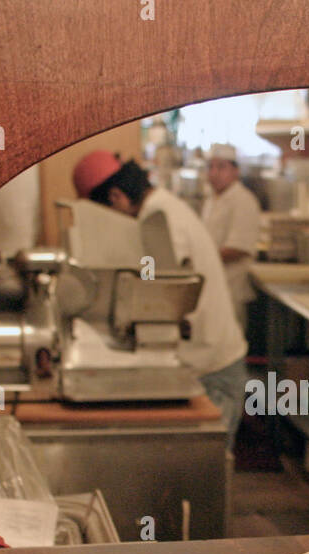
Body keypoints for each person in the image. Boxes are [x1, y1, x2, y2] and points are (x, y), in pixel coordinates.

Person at [72, 150, 249, 446]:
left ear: (116, 197)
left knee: (203, 478)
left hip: (212, 373)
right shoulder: (161, 208)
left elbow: (160, 294)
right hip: (204, 365)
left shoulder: (161, 220)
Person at [200, 143, 262, 329]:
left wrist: (201, 259)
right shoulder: (211, 200)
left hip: (230, 289)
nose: (214, 173)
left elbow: (238, 248)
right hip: (211, 286)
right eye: (210, 167)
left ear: (236, 171)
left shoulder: (244, 201)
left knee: (228, 343)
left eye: (221, 167)